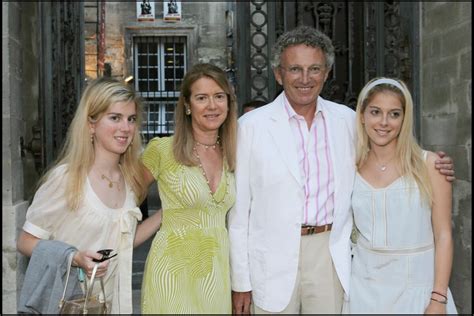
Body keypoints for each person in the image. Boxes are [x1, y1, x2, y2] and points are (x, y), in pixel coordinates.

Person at [228, 25, 455, 314]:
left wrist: (435, 163)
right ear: (278, 73)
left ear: (326, 73)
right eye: (295, 69)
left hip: (329, 254)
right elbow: (238, 215)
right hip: (269, 260)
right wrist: (241, 281)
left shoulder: (347, 121)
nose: (305, 78)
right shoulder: (251, 127)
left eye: (315, 69)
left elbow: (390, 149)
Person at [17, 77, 162, 314]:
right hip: (69, 305)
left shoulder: (128, 179)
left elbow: (121, 242)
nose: (125, 128)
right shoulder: (66, 179)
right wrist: (74, 257)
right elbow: (25, 242)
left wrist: (167, 213)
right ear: (91, 124)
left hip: (112, 305)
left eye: (131, 119)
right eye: (115, 118)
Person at [347, 77, 457, 314]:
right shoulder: (350, 167)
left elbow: (444, 236)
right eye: (376, 112)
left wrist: (438, 298)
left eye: (394, 114)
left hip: (417, 290)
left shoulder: (431, 165)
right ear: (363, 115)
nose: (384, 122)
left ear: (404, 119)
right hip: (363, 291)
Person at [140, 63, 238, 313]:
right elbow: (120, 200)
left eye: (219, 96)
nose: (212, 106)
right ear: (187, 105)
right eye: (201, 98)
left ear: (228, 102)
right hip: (171, 273)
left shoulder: (235, 153)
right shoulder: (163, 150)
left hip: (217, 272)